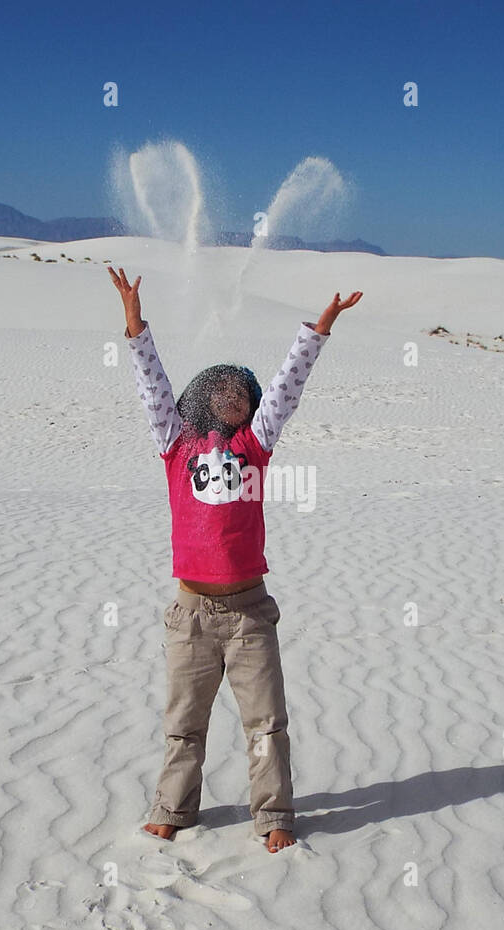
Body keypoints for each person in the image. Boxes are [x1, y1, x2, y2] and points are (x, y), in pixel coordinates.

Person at [108, 265, 362, 852]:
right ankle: (173, 808)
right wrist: (133, 322)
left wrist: (320, 326)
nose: (234, 397)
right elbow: (150, 385)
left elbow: (286, 387)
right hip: (191, 615)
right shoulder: (176, 445)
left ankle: (273, 816)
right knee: (183, 726)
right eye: (221, 390)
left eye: (241, 393)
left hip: (249, 613)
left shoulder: (256, 444)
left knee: (266, 726)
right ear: (202, 399)